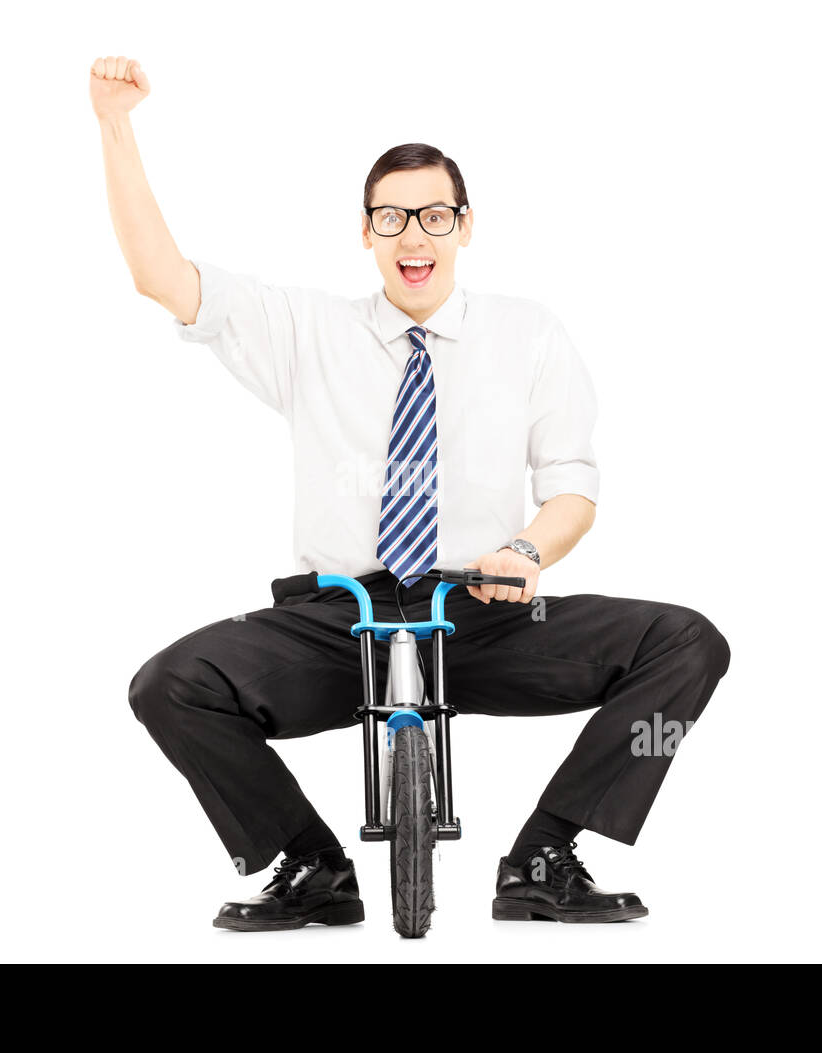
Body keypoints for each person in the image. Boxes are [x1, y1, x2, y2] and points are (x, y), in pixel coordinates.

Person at [93, 55, 732, 931]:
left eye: (433, 214)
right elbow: (160, 275)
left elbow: (573, 488)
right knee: (168, 683)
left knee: (687, 641)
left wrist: (528, 551)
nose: (412, 235)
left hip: (480, 608)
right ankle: (310, 866)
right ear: (365, 233)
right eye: (390, 217)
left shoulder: (529, 334)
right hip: (341, 614)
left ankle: (545, 855)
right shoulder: (308, 330)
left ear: (465, 225)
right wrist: (114, 126)